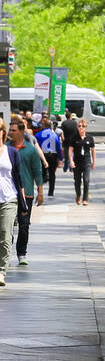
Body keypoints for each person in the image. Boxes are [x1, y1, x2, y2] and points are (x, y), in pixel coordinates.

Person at [9, 115, 43, 266]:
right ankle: (5, 253)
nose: (10, 132)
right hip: (8, 194)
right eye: (9, 130)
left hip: (27, 193)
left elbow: (37, 171)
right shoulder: (5, 148)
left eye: (13, 130)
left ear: (22, 132)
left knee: (24, 225)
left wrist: (40, 192)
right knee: (6, 226)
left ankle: (21, 253)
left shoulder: (30, 150)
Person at [1, 120, 29, 286]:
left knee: (5, 234)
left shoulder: (11, 152)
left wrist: (23, 203)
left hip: (8, 199)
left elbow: (19, 179)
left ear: (3, 132)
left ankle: (1, 271)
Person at [69, 117, 96, 205]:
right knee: (77, 181)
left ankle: (85, 199)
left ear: (86, 127)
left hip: (87, 161)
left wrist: (94, 162)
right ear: (77, 127)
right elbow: (70, 150)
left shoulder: (89, 138)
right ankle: (78, 195)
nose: (81, 127)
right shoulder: (74, 138)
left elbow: (93, 150)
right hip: (77, 162)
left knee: (86, 180)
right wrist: (71, 161)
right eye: (79, 126)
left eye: (83, 126)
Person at [36, 118, 63, 196]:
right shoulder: (55, 134)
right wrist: (60, 157)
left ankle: (40, 190)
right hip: (52, 155)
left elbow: (36, 146)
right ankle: (51, 192)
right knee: (52, 173)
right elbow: (58, 146)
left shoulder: (38, 134)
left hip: (42, 155)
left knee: (41, 173)